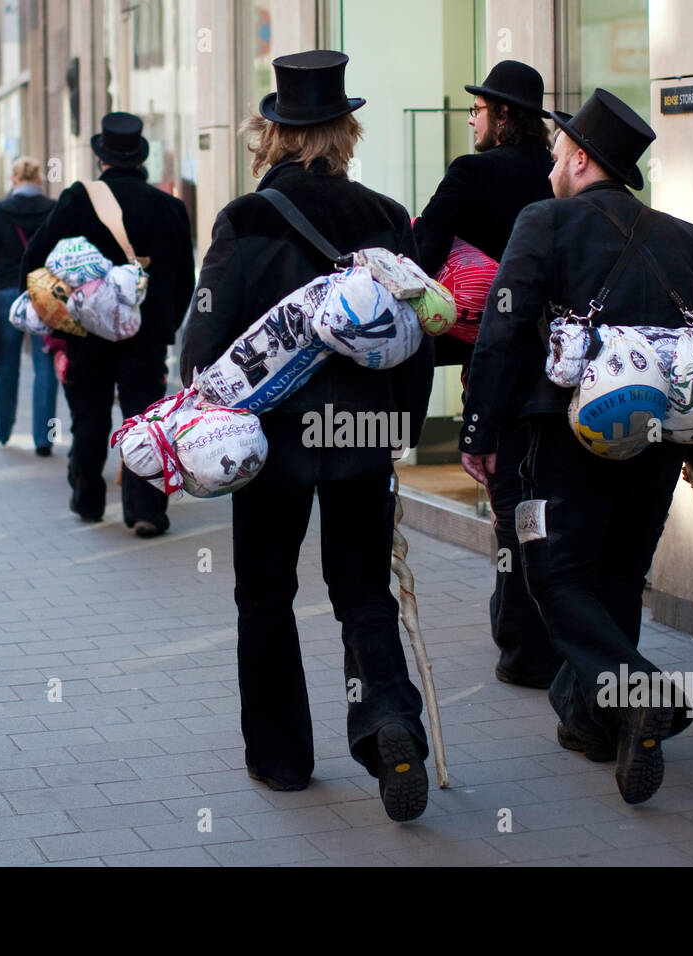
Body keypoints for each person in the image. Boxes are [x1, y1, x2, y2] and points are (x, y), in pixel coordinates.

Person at [179, 51, 435, 822]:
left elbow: (203, 350)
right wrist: (402, 430)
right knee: (363, 592)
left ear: (274, 136)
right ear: (345, 132)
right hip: (362, 436)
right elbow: (417, 338)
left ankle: (283, 758)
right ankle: (389, 723)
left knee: (265, 596)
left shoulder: (246, 219)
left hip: (271, 446)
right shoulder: (389, 217)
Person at [459, 89, 693, 806]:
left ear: (580, 158)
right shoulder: (689, 239)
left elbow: (503, 334)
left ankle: (641, 694)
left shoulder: (544, 222)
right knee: (615, 576)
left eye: (556, 151)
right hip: (660, 441)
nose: (549, 161)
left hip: (563, 440)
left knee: (553, 575)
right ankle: (596, 724)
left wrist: (480, 432)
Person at [414, 59, 560, 690]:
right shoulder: (560, 177)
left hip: (496, 365)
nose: (471, 117)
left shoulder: (471, 173)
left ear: (501, 116)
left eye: (478, 108)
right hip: (564, 365)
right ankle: (543, 626)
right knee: (549, 500)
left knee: (509, 504)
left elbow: (418, 259)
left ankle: (524, 647)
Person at [20, 112, 195, 535]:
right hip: (146, 336)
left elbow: (33, 263)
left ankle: (88, 499)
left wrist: (63, 313)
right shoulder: (169, 207)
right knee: (147, 420)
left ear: (102, 160)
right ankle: (146, 511)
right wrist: (161, 324)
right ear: (140, 159)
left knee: (89, 415)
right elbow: (186, 280)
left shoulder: (77, 200)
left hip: (87, 333)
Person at [0, 157, 58, 455]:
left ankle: (2, 430)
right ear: (38, 178)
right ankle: (44, 438)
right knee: (44, 365)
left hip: (7, 293)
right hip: (43, 294)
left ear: (14, 180)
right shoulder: (53, 209)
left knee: (7, 362)